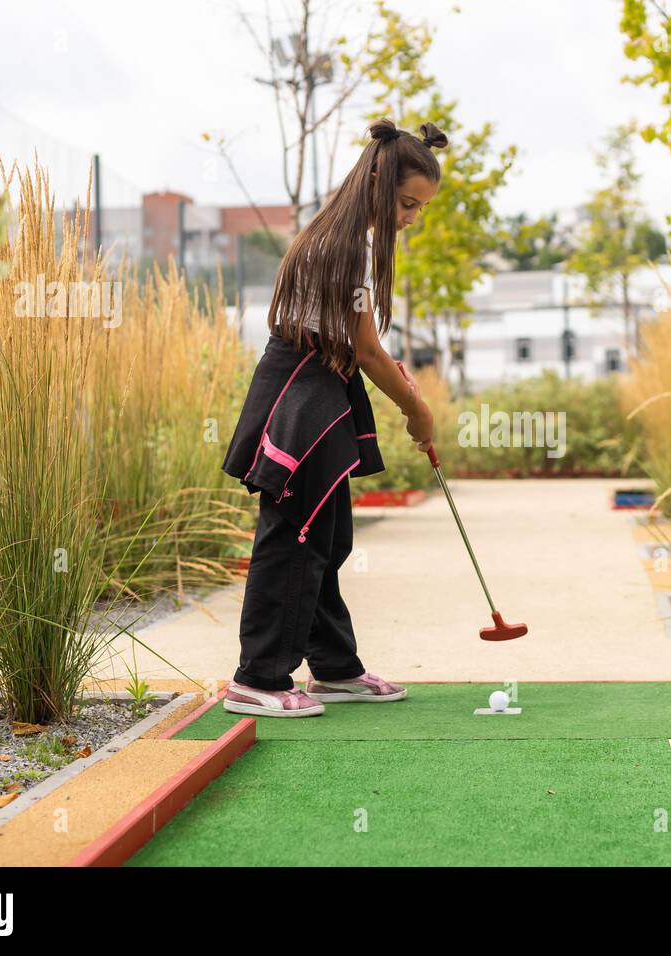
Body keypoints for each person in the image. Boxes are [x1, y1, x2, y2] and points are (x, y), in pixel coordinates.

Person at [218, 118, 445, 717]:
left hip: (322, 381)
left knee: (326, 535)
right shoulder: (351, 243)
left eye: (419, 208)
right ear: (377, 181)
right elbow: (366, 350)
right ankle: (258, 678)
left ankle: (335, 667)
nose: (410, 218)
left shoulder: (346, 235)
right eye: (406, 203)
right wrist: (417, 410)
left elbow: (358, 338)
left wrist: (398, 379)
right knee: (293, 535)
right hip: (303, 385)